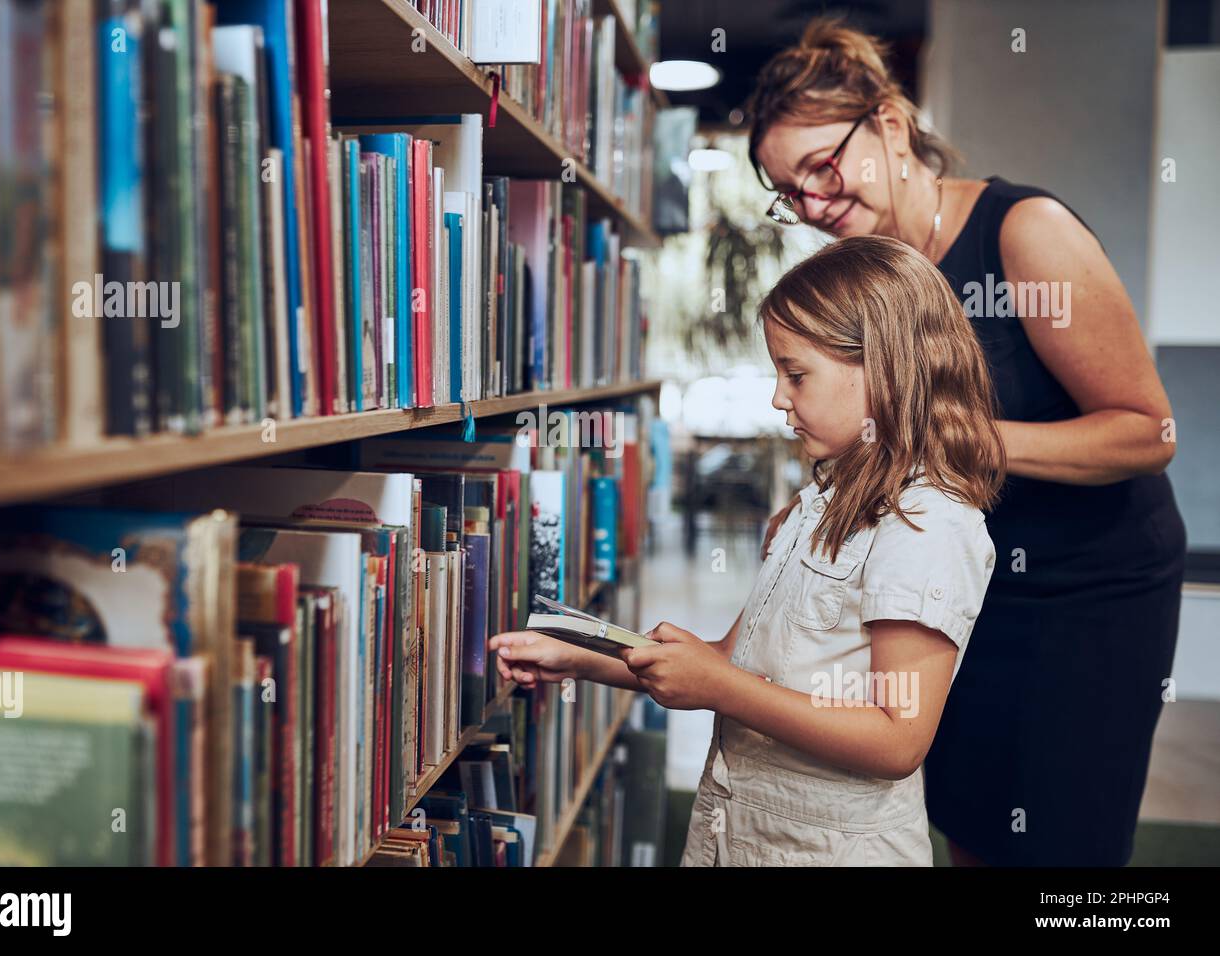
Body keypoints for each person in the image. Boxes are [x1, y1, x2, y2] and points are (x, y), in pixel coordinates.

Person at [747, 17, 1185, 866]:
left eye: (822, 167)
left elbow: (1146, 432)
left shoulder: (1025, 232)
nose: (812, 203)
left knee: (1061, 843)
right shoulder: (874, 274)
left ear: (890, 124)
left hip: (1085, 590)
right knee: (969, 815)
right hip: (950, 584)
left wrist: (947, 439)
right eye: (788, 191)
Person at [489, 235, 1005, 865]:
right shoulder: (821, 500)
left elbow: (898, 739)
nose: (779, 397)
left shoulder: (926, 524)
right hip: (737, 833)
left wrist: (721, 688)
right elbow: (729, 662)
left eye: (796, 373)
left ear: (887, 369)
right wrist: (583, 657)